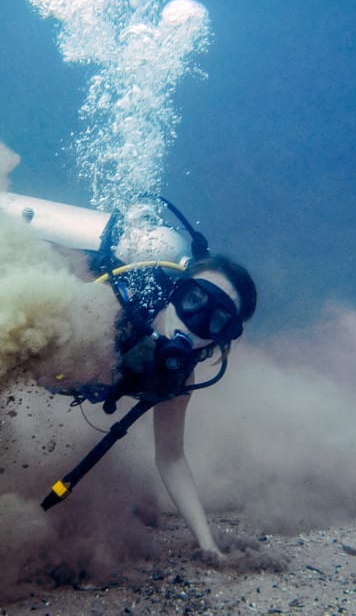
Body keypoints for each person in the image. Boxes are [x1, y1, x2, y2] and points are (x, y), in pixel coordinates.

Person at [40, 203, 257, 560]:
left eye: (215, 321)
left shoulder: (178, 378)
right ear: (176, 290)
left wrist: (207, 545)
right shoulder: (116, 304)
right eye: (193, 300)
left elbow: (171, 459)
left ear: (222, 337)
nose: (193, 322)